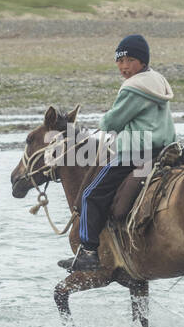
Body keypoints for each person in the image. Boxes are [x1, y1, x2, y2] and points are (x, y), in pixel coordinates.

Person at [67, 34, 176, 271]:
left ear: (142, 61)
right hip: (165, 148)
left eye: (130, 60)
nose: (124, 67)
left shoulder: (134, 88)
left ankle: (88, 251)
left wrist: (104, 120)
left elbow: (112, 122)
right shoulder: (157, 81)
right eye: (120, 61)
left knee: (90, 195)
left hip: (137, 151)